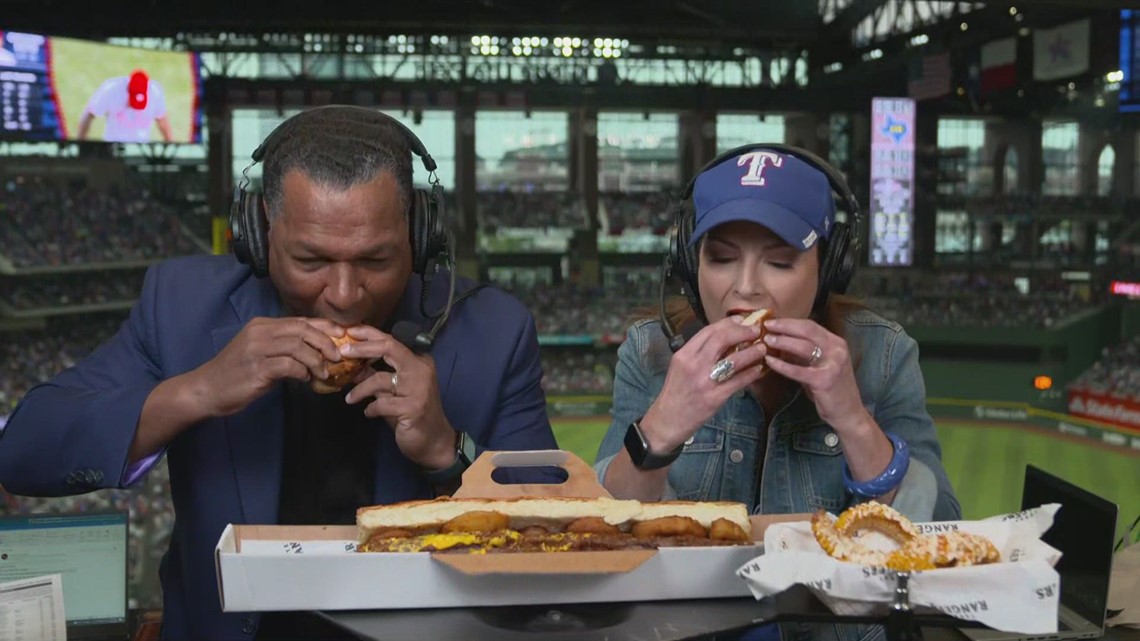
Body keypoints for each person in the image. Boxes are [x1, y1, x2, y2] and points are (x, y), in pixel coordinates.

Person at [0, 106, 558, 640]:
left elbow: (554, 546)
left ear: (418, 233)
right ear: (261, 229)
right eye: (311, 261)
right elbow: (25, 452)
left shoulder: (493, 332)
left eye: (375, 261)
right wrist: (198, 390)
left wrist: (447, 451)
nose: (342, 295)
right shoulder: (181, 305)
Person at [593, 145, 960, 640]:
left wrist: (852, 419)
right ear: (689, 264)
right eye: (721, 258)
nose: (745, 289)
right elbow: (604, 536)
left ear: (827, 270)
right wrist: (660, 428)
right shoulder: (648, 353)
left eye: (780, 263)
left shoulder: (887, 355)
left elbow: (938, 536)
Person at [76, 70, 173, 143]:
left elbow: (162, 121)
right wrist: (81, 144)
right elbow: (89, 115)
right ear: (128, 90)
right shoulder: (111, 90)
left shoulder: (155, 92)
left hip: (140, 151)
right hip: (112, 149)